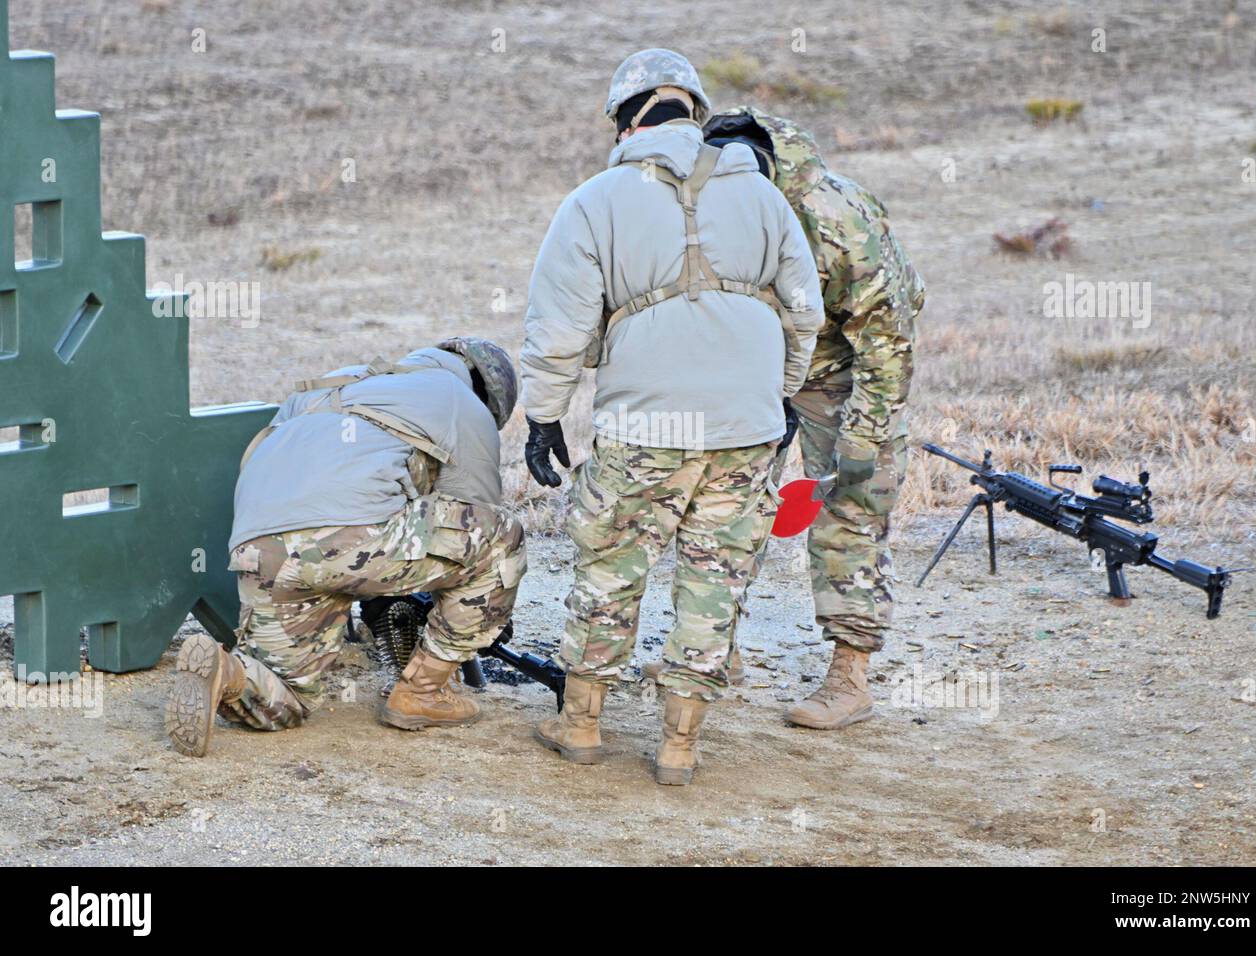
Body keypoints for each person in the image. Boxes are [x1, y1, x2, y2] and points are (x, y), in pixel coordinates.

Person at [518, 49, 823, 784]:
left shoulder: (594, 200)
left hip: (646, 428)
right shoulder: (764, 195)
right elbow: (806, 313)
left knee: (610, 569)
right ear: (693, 110)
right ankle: (679, 748)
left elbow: (557, 331)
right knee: (715, 582)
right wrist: (779, 395)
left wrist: (544, 418)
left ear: (626, 121)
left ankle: (582, 727)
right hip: (745, 428)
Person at [165, 338, 526, 757]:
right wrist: (483, 613)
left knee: (288, 699)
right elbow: (474, 513)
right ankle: (422, 692)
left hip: (261, 548)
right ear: (487, 394)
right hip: (349, 541)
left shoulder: (334, 382)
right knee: (502, 539)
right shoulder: (459, 400)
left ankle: (226, 671)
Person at [699, 107, 926, 729]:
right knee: (723, 501)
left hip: (845, 365)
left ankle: (848, 677)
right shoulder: (700, 198)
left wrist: (864, 436)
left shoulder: (837, 222)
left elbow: (888, 341)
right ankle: (712, 652)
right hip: (758, 366)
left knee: (852, 508)